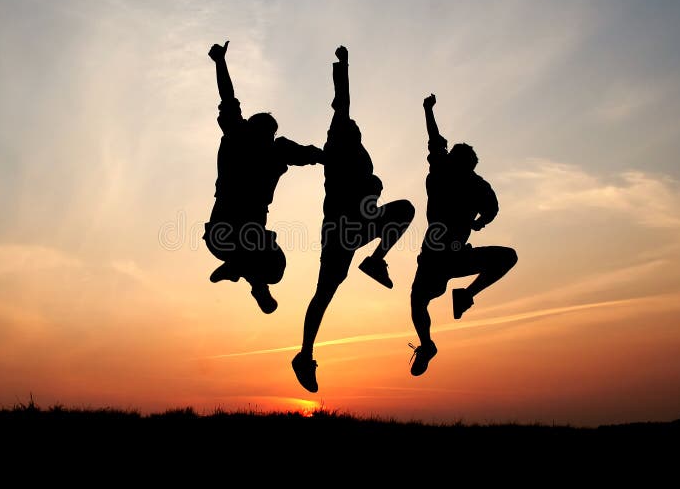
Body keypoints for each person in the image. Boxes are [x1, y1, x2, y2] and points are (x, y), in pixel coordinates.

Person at [292, 45, 415, 392]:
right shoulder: (339, 145)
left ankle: (376, 262)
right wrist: (343, 66)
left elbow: (370, 187)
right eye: (350, 127)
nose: (355, 127)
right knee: (324, 293)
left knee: (404, 209)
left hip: (360, 224)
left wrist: (373, 191)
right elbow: (342, 101)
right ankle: (304, 356)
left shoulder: (357, 151)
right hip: (339, 231)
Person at [204, 41, 324, 314]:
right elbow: (308, 153)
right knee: (270, 264)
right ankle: (247, 276)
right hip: (242, 233)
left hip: (220, 236)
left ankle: (244, 273)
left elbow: (228, 98)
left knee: (273, 267)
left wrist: (220, 61)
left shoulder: (246, 138)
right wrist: (220, 62)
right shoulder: (264, 145)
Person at [408, 93, 518, 376]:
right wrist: (481, 222)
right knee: (418, 300)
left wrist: (428, 109)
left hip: (442, 256)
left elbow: (434, 139)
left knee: (419, 300)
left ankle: (459, 303)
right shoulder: (467, 180)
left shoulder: (452, 173)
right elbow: (493, 210)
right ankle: (437, 333)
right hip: (446, 256)